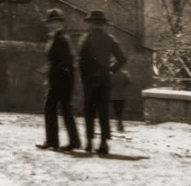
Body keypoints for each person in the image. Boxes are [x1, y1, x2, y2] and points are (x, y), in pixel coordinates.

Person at [78, 9, 126, 155]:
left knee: (89, 111)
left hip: (90, 80)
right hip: (104, 80)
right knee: (103, 112)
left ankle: (89, 142)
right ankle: (104, 143)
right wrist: (111, 69)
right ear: (103, 24)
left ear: (91, 23)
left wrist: (84, 76)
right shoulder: (110, 39)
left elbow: (80, 60)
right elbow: (122, 58)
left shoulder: (85, 39)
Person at [37, 9, 81, 152]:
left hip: (62, 79)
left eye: (53, 22)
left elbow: (66, 61)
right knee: (62, 109)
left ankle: (53, 141)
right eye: (49, 22)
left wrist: (51, 72)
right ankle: (70, 141)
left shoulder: (61, 39)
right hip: (60, 78)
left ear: (60, 23)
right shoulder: (55, 38)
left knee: (53, 107)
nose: (50, 24)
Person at [110, 64, 131, 133]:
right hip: (121, 95)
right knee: (120, 110)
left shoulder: (110, 74)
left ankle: (119, 123)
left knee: (117, 110)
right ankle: (120, 123)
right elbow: (128, 82)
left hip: (114, 96)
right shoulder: (124, 74)